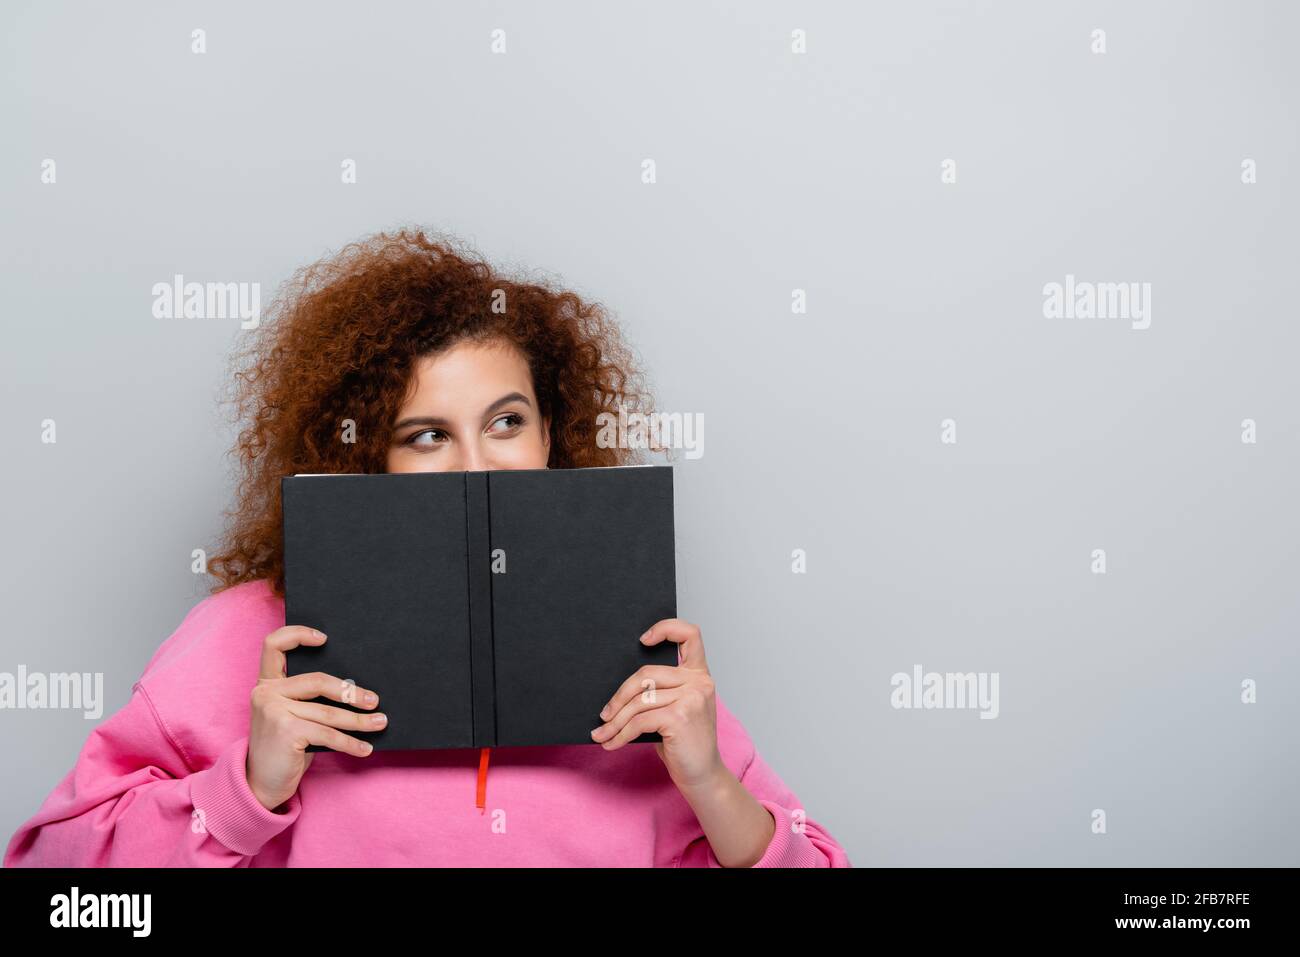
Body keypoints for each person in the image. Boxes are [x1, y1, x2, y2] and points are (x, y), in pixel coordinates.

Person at [4, 229, 851, 867]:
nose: (477, 464)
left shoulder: (638, 649)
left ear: (552, 433)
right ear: (364, 452)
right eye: (425, 435)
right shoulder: (252, 637)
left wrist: (709, 783)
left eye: (506, 422)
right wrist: (245, 788)